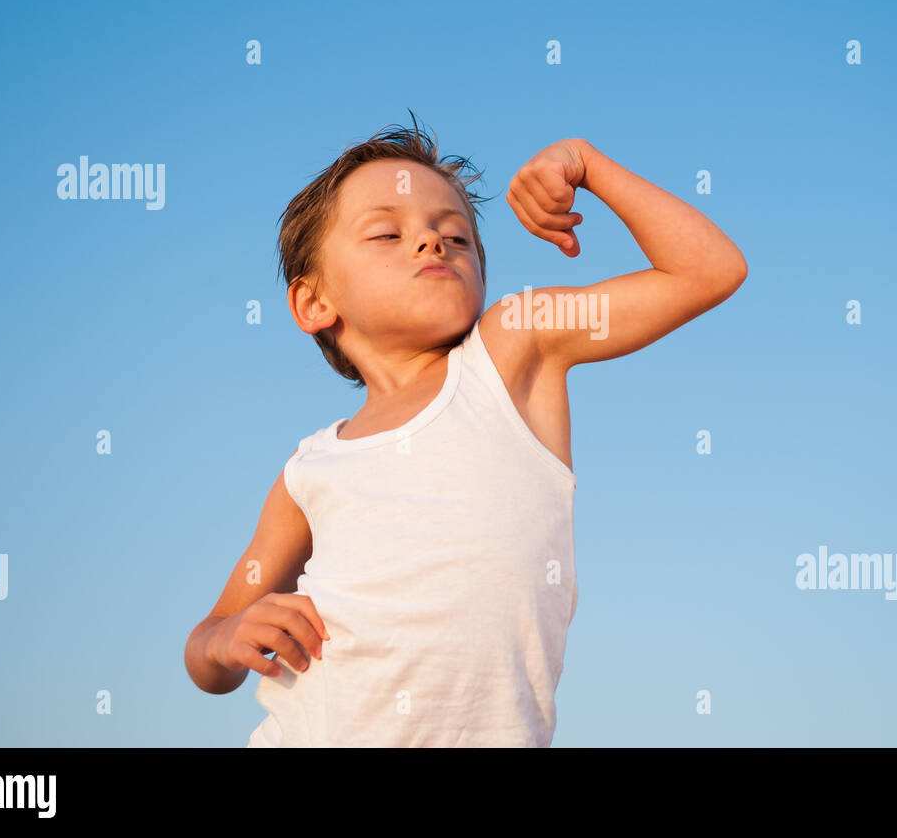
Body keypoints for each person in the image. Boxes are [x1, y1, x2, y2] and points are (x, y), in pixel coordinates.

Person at [183, 112, 747, 746]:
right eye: (386, 234)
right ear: (314, 302)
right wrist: (226, 640)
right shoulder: (308, 470)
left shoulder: (512, 349)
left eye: (454, 234)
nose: (431, 242)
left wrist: (586, 163)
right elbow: (208, 646)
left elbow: (708, 271)